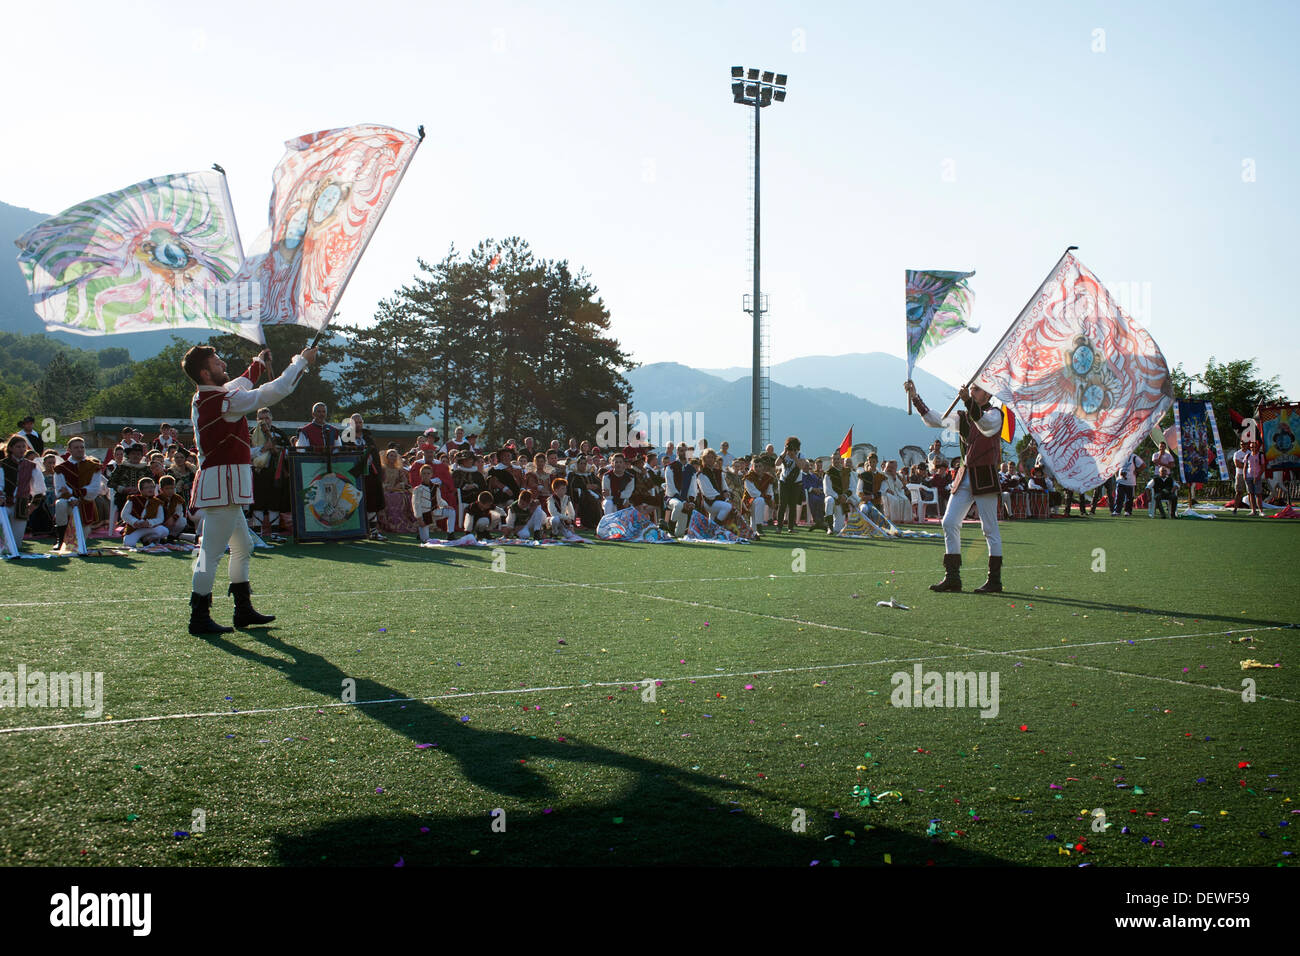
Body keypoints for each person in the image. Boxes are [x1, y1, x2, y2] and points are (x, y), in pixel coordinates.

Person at [183, 344, 317, 635]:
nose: (223, 365)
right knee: (211, 553)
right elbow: (273, 391)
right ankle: (199, 615)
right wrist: (300, 362)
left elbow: (239, 384)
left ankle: (242, 609)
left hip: (223, 485)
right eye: (217, 363)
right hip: (224, 486)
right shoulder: (224, 401)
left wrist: (257, 363)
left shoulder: (205, 397)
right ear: (206, 372)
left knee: (242, 546)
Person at [905, 379, 1005, 593]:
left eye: (976, 389)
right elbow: (934, 420)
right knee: (949, 522)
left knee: (989, 529)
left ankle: (994, 580)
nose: (972, 391)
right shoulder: (963, 416)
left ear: (987, 395)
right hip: (965, 475)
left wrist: (968, 401)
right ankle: (952, 577)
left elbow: (985, 426)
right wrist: (915, 396)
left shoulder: (996, 414)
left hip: (985, 475)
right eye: (971, 389)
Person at [53, 437, 107, 551]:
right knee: (60, 503)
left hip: (85, 504)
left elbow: (94, 490)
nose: (80, 450)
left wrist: (73, 493)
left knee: (80, 542)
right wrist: (71, 498)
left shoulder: (94, 466)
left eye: (82, 447)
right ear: (69, 450)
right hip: (69, 503)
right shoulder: (61, 468)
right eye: (76, 447)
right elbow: (60, 489)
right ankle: (60, 539)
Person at [1, 433, 46, 554]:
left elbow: (40, 489)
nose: (22, 449)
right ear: (10, 448)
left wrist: (32, 506)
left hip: (21, 505)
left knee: (15, 544)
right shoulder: (2, 464)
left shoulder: (32, 466)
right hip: (3, 505)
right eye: (18, 446)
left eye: (23, 447)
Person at [251, 408, 291, 536]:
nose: (264, 421)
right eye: (261, 418)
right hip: (257, 474)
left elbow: (289, 452)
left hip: (275, 474)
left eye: (267, 418)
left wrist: (279, 451)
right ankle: (258, 535)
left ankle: (274, 534)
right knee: (258, 504)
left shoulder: (280, 434)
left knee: (274, 504)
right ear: (257, 420)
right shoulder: (251, 434)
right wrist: (264, 448)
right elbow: (246, 454)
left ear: (271, 419)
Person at [348, 413, 386, 541]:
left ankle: (374, 531)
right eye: (355, 422)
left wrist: (378, 474)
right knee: (352, 501)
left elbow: (375, 457)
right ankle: (352, 531)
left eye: (360, 422)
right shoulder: (346, 439)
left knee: (372, 502)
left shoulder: (368, 438)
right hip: (354, 474)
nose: (358, 425)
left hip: (370, 474)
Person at [121, 476, 169, 548]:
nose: (150, 489)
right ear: (141, 490)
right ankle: (144, 539)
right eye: (147, 488)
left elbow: (160, 518)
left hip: (149, 527)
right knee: (129, 543)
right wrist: (135, 522)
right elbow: (124, 515)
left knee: (165, 531)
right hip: (135, 528)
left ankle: (148, 539)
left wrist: (149, 522)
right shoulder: (133, 499)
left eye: (152, 487)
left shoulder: (157, 502)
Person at [412, 465, 455, 542]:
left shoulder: (435, 487)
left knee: (451, 512)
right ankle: (421, 532)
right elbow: (415, 504)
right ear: (420, 474)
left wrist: (446, 505)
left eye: (428, 473)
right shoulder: (418, 489)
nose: (426, 475)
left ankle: (450, 534)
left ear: (431, 474)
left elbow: (439, 500)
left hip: (435, 512)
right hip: (425, 515)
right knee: (425, 540)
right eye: (424, 473)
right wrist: (419, 518)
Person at [822, 454, 858, 534]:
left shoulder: (847, 472)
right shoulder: (828, 473)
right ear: (831, 461)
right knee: (829, 500)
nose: (836, 461)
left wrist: (845, 496)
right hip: (834, 499)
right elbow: (827, 490)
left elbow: (852, 487)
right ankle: (829, 527)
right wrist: (838, 496)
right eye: (834, 459)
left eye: (837, 459)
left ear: (841, 460)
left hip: (843, 501)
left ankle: (827, 525)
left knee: (838, 529)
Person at [742, 454, 776, 537]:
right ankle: (759, 528)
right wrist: (766, 497)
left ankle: (754, 530)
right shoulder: (748, 477)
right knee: (759, 500)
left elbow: (770, 492)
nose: (758, 468)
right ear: (753, 467)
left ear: (763, 467)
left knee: (752, 529)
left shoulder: (768, 477)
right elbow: (753, 493)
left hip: (760, 501)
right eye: (756, 466)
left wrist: (771, 499)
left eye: (759, 466)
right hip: (748, 502)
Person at [156, 475, 188, 539]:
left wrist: (173, 518)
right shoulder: (157, 499)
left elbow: (179, 511)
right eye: (167, 488)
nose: (170, 490)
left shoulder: (178, 498)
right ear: (161, 489)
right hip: (160, 523)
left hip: (172, 523)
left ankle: (172, 536)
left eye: (172, 488)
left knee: (182, 521)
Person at [879, 460, 911, 525]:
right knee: (894, 500)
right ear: (886, 467)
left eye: (892, 468)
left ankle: (904, 520)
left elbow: (900, 487)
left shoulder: (895, 475)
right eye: (889, 467)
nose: (890, 469)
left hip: (896, 493)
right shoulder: (881, 474)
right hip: (885, 493)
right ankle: (894, 520)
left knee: (906, 500)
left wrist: (894, 477)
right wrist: (887, 490)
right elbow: (880, 485)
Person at [1112, 452, 1144, 516]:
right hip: (1120, 480)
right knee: (1119, 497)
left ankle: (1128, 511)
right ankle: (1117, 511)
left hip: (1130, 481)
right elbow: (1116, 466)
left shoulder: (1134, 457)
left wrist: (1137, 471)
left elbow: (1143, 465)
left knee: (1129, 498)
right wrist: (1117, 476)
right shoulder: (1120, 456)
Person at [1243, 439, 1267, 516]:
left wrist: (1258, 476)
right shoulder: (1248, 455)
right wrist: (1244, 476)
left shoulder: (1260, 455)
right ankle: (1253, 510)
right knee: (1251, 494)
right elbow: (1245, 466)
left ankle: (1261, 511)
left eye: (1255, 447)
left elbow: (1263, 468)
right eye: (1251, 447)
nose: (1253, 448)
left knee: (1258, 494)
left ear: (1257, 447)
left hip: (1257, 477)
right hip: (1249, 477)